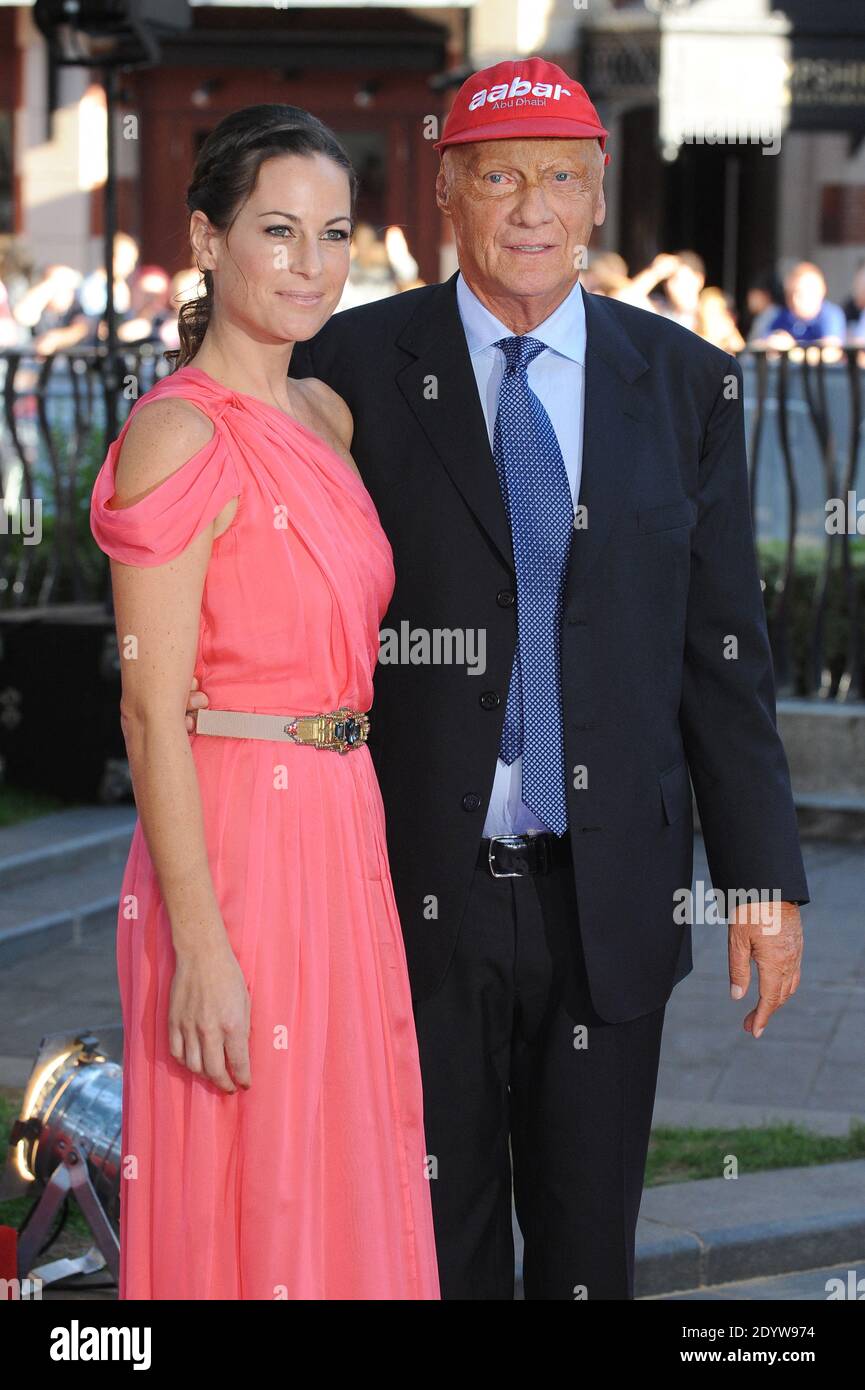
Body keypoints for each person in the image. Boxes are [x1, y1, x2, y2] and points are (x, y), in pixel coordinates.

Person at [188, 58, 810, 1302]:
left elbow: (721, 650)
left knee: (588, 1255)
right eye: (499, 177)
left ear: (596, 198)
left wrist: (759, 875)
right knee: (427, 1244)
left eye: (560, 179)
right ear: (445, 198)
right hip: (410, 888)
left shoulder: (685, 381)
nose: (531, 207)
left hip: (613, 887)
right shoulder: (349, 365)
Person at [89, 104, 440, 1300]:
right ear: (204, 237)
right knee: (253, 1169)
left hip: (341, 826)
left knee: (341, 1155)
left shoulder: (327, 417)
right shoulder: (177, 435)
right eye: (277, 230)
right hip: (234, 845)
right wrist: (200, 948)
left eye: (334, 233)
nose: (310, 265)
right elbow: (150, 709)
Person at [759, 261, 846, 346]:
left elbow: (831, 352)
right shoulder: (784, 317)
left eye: (802, 293)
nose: (795, 300)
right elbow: (762, 344)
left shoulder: (830, 315)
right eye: (790, 294)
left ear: (821, 291)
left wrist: (791, 348)